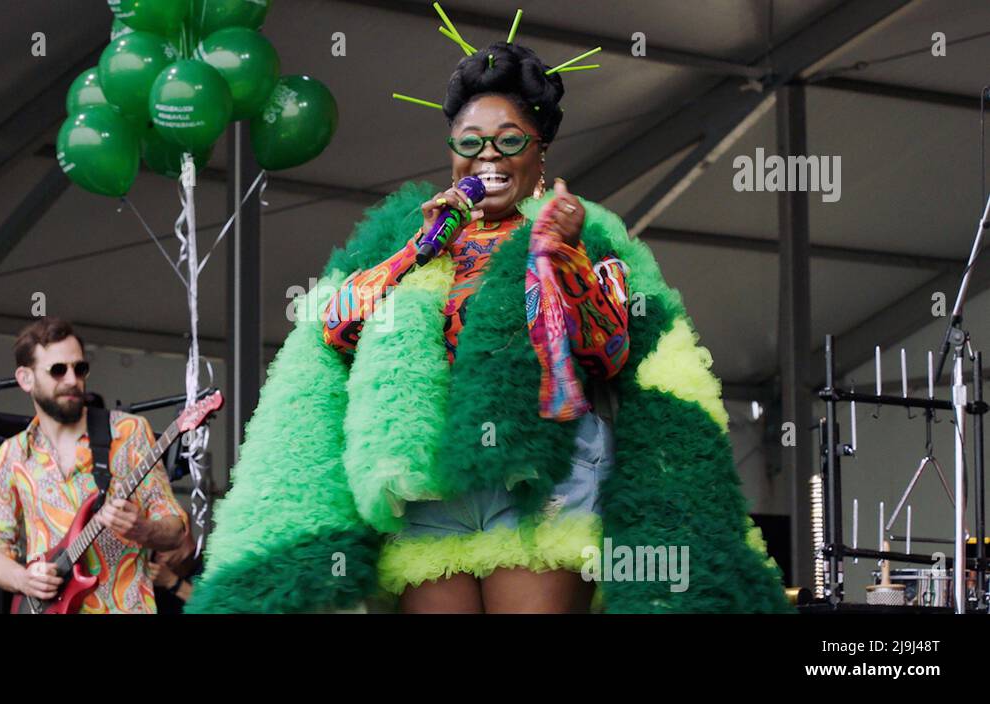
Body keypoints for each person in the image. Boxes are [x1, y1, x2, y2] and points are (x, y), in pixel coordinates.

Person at [188, 38, 788, 614]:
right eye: (470, 142)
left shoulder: (580, 235)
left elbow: (609, 350)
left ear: (539, 150)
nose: (488, 158)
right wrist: (415, 254)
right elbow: (336, 328)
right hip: (432, 486)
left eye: (508, 141)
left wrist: (563, 257)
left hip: (546, 476)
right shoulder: (413, 240)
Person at [0, 317, 188, 613]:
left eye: (80, 368)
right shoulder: (13, 454)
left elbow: (175, 529)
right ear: (25, 378)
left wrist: (143, 529)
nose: (72, 379)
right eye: (58, 370)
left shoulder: (128, 433)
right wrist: (23, 580)